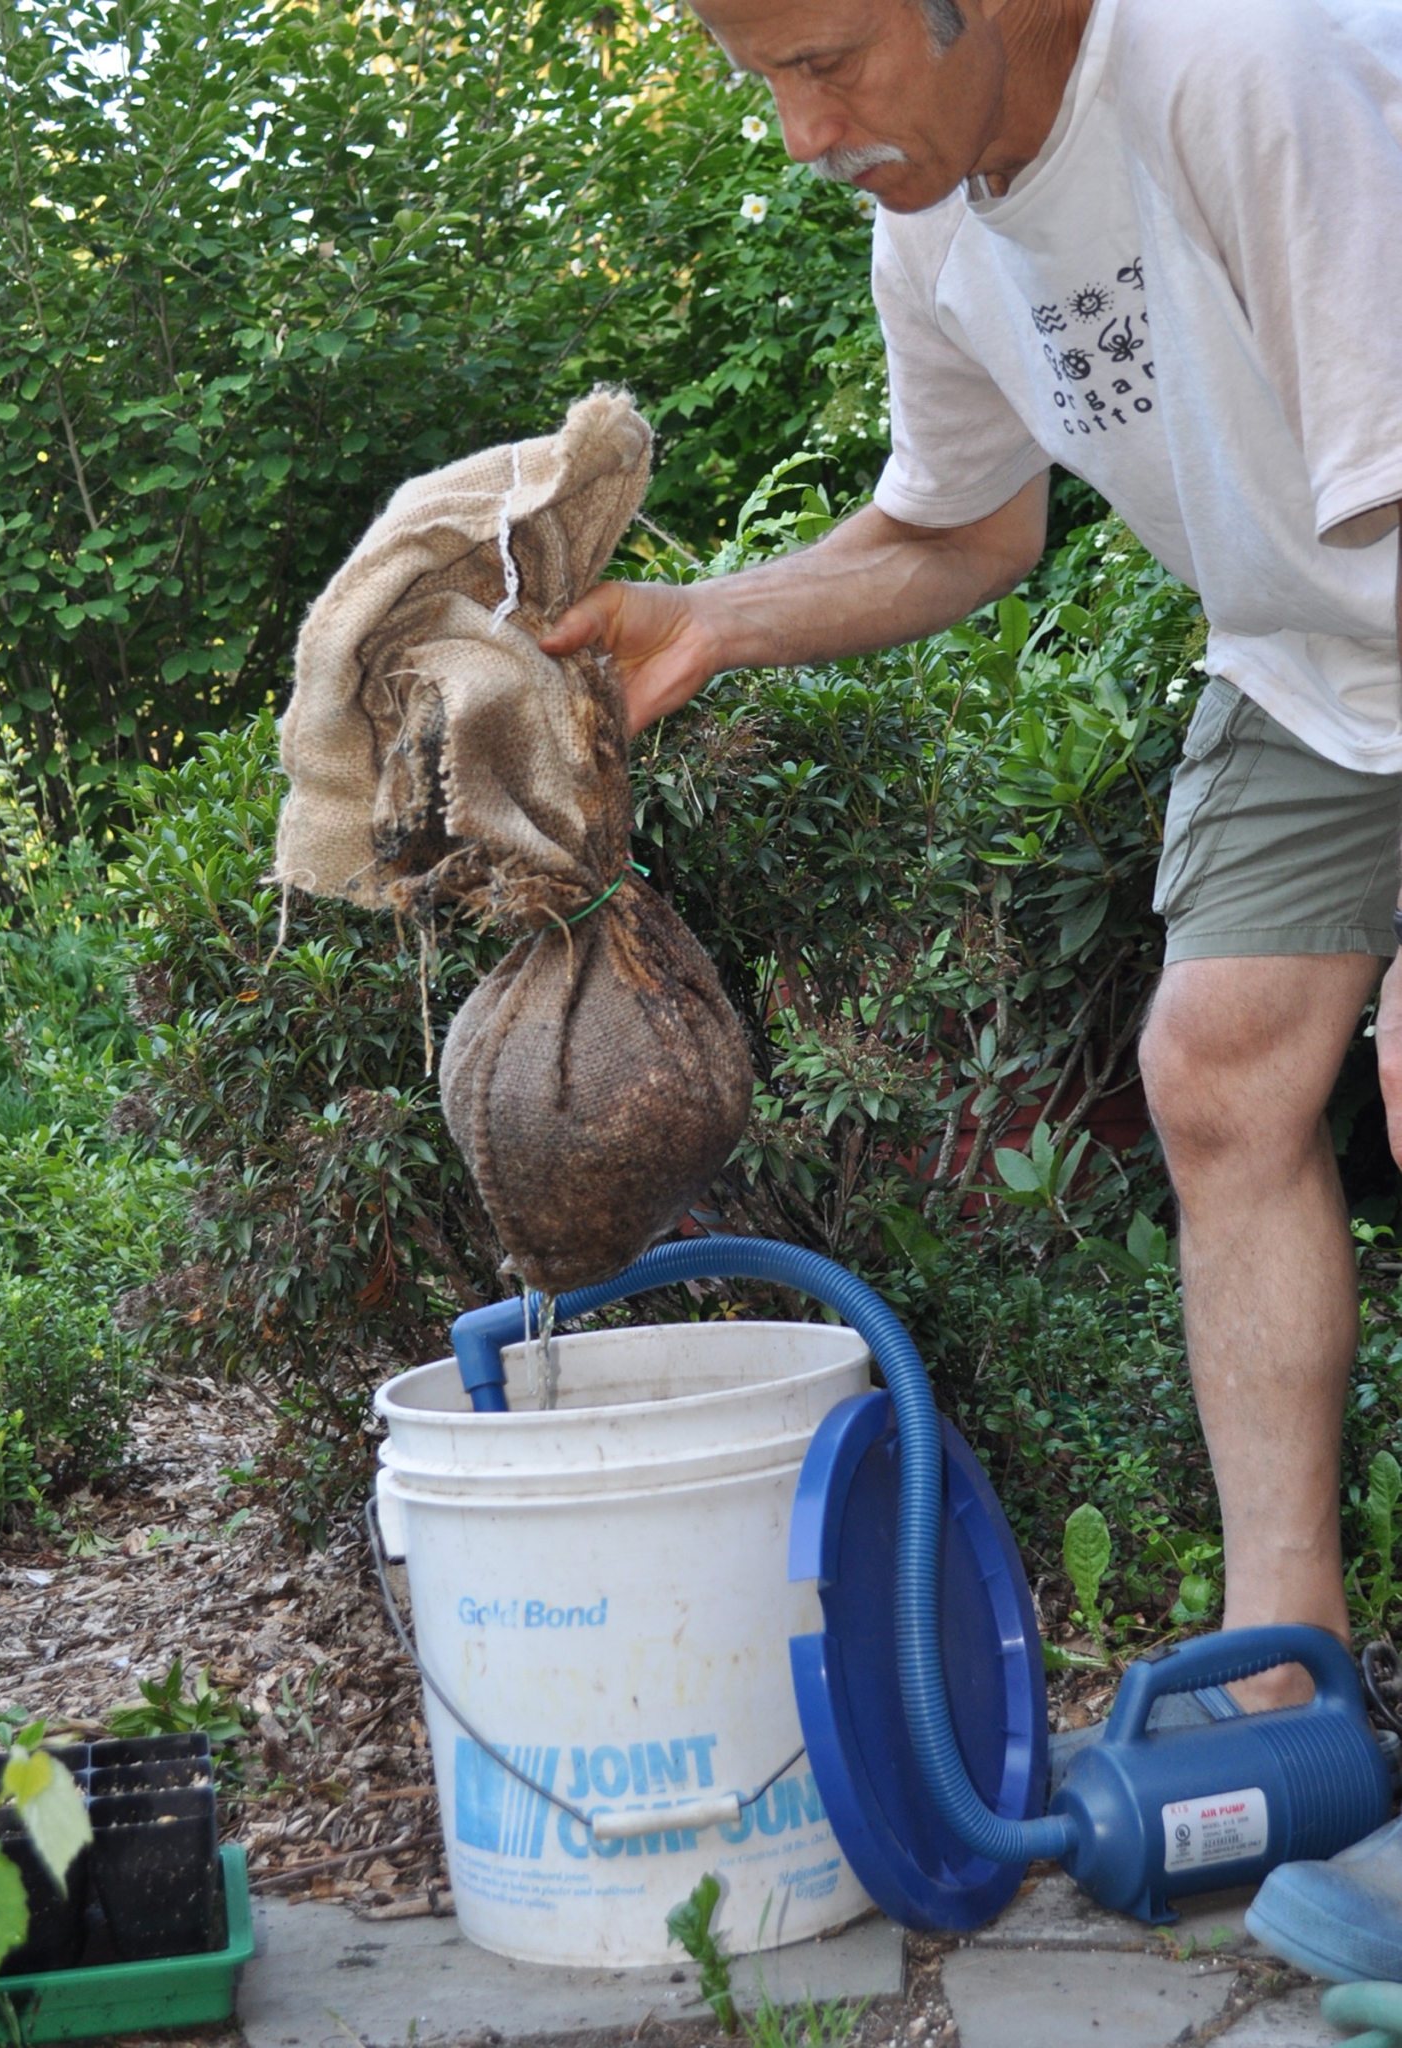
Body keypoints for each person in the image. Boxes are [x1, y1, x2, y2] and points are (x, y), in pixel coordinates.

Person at [541, 0, 1402, 1979]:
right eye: (760, 76)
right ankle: (1301, 1700)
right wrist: (709, 619)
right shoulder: (928, 215)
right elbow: (965, 522)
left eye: (825, 59)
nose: (796, 127)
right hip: (1315, 654)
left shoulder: (1231, 70)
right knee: (1214, 1075)